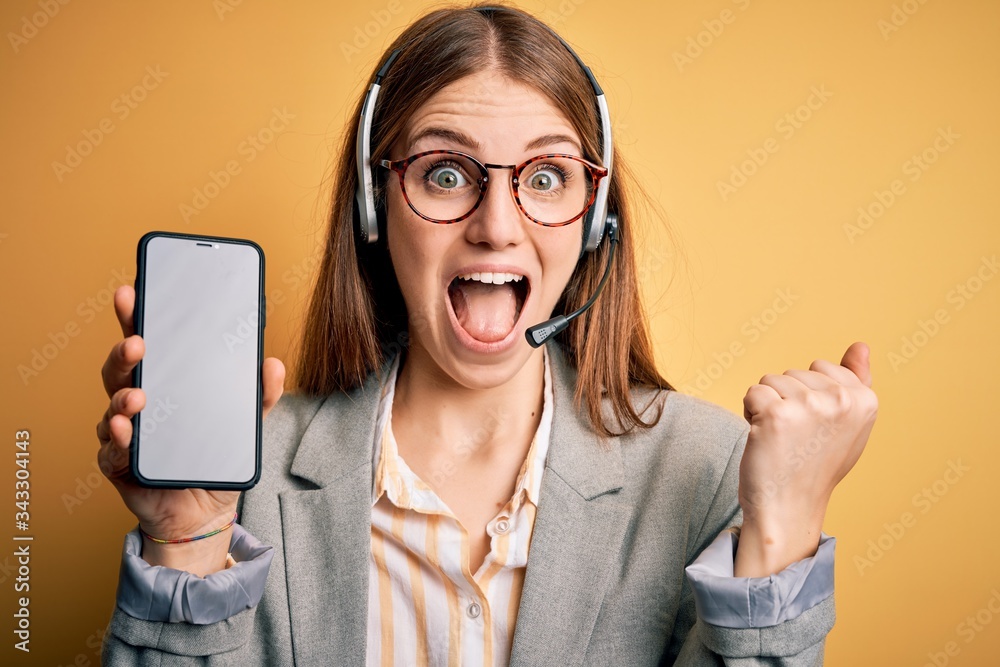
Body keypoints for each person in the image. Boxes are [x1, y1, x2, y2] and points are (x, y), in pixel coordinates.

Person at [97, 4, 878, 665]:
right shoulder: (245, 481)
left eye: (544, 177)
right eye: (445, 173)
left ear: (596, 216)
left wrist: (782, 528)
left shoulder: (708, 472)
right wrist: (188, 543)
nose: (497, 227)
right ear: (376, 207)